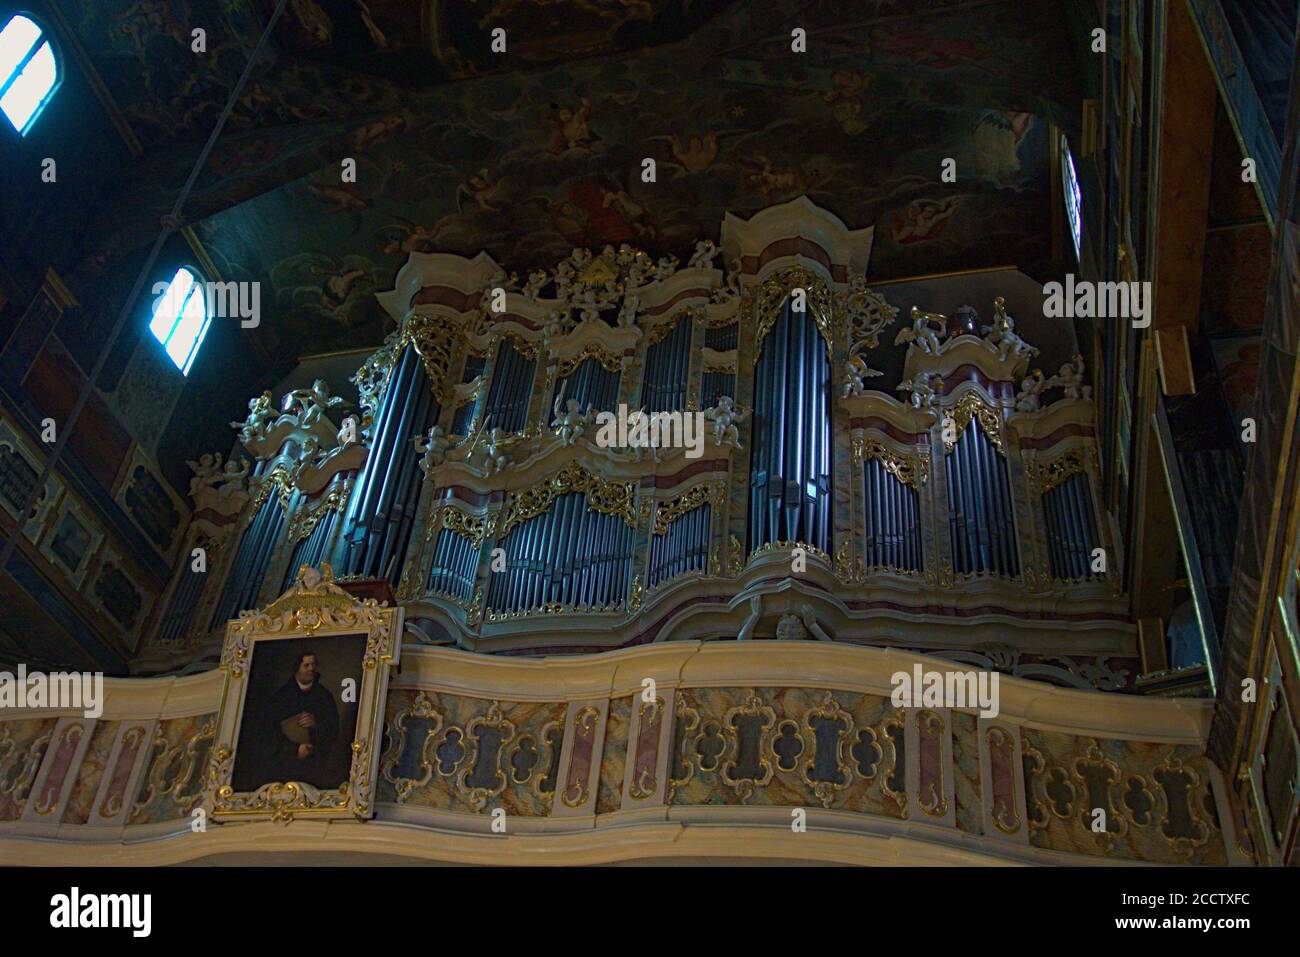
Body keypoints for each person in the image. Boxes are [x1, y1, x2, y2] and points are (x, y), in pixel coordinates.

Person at [251, 652, 341, 789]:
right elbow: (266, 733)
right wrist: (294, 750)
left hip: (315, 767)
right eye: (306, 665)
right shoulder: (280, 697)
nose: (311, 668)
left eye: (313, 664)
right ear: (297, 668)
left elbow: (333, 729)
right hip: (284, 767)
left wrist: (316, 724)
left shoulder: (324, 696)